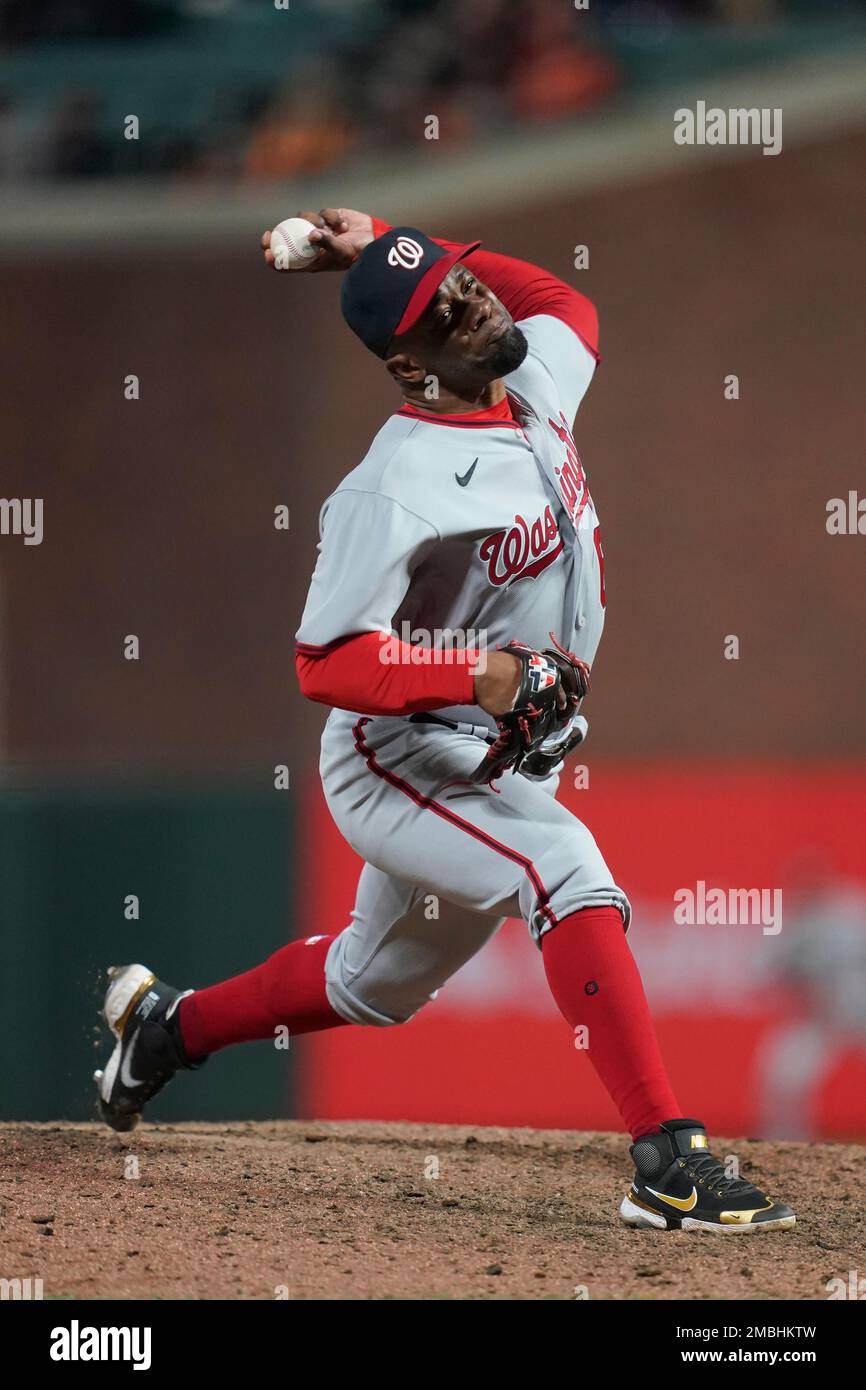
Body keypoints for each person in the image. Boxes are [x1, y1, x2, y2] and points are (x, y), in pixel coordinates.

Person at [95, 207, 794, 1233]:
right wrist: (484, 673)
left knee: (368, 982)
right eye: (443, 313)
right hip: (400, 757)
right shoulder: (393, 484)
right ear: (405, 365)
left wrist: (386, 238)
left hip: (495, 746)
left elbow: (565, 303)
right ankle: (666, 1162)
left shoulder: (530, 381)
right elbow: (324, 659)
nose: (474, 308)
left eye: (463, 290)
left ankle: (164, 1027)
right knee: (563, 872)